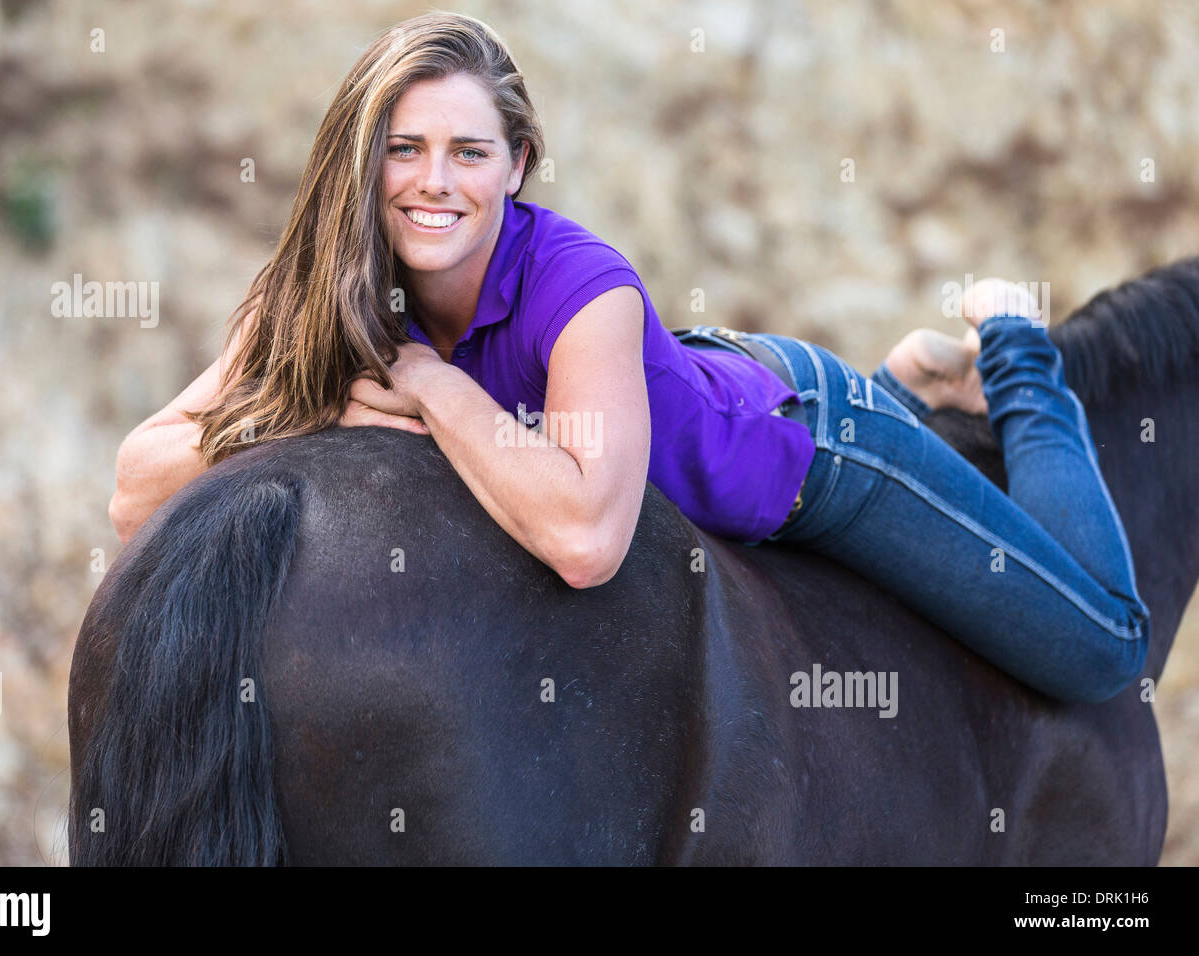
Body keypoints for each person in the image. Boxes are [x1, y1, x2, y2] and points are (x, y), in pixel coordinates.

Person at [109, 12, 1149, 703]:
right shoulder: (314, 290)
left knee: (1099, 650)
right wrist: (326, 410)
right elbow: (137, 488)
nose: (433, 182)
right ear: (362, 156)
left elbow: (582, 539)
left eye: (469, 152)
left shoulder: (583, 285)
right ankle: (915, 379)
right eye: (403, 147)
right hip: (684, 384)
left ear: (516, 164)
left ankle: (1006, 349)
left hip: (808, 446)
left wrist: (427, 383)